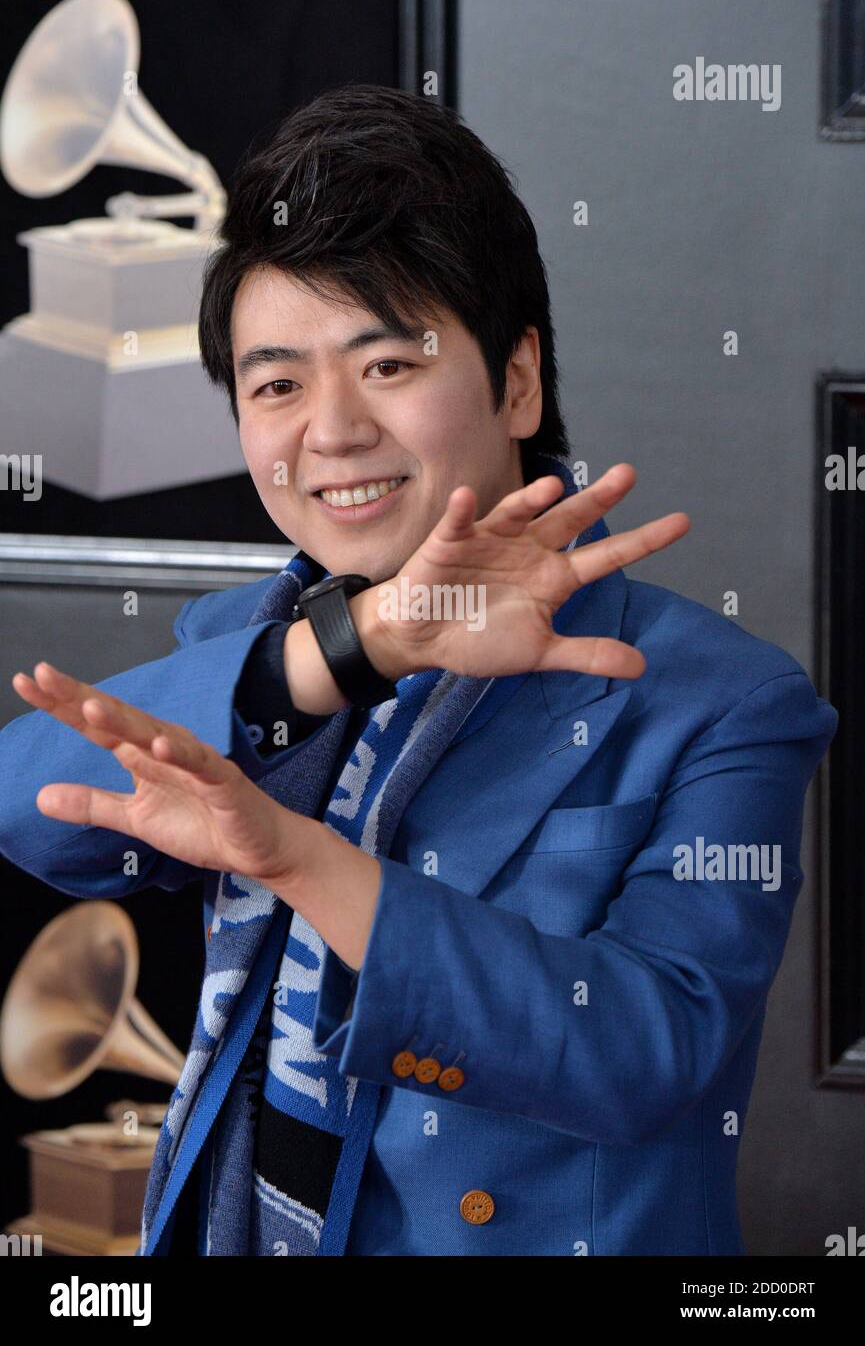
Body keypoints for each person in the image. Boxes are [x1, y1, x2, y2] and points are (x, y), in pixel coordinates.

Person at [0, 84, 837, 1257]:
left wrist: (300, 858)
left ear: (516, 381)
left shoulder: (722, 697)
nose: (328, 430)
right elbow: (31, 805)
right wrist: (365, 644)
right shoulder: (260, 643)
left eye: (387, 363)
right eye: (276, 383)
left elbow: (648, 1055)